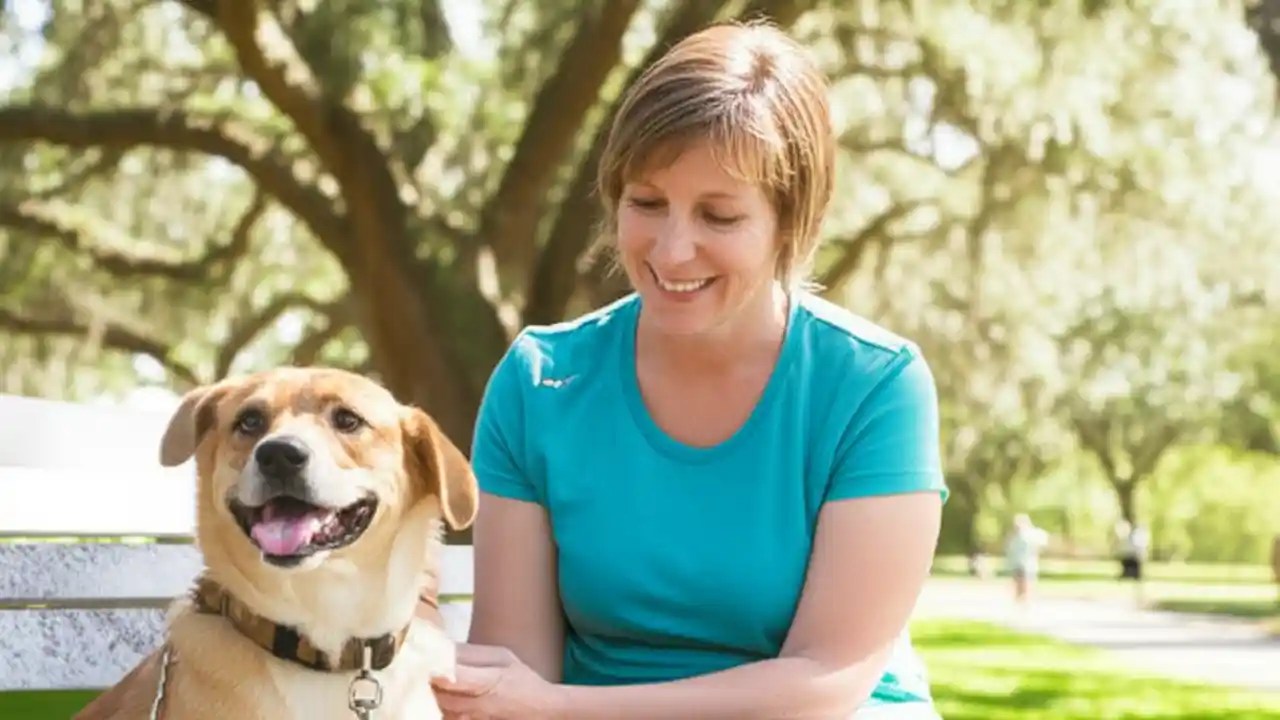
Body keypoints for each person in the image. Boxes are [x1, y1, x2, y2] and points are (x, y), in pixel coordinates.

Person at [430, 20, 948, 720]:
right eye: (646, 204)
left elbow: (826, 681)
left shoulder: (874, 387)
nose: (673, 251)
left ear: (789, 223)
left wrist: (563, 710)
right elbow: (518, 673)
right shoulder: (539, 383)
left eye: (720, 216)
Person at [1004, 513, 1049, 606]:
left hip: (1026, 564)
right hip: (1020, 564)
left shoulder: (1028, 535)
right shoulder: (1017, 536)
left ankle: (1023, 603)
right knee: (1021, 584)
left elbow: (1041, 542)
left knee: (1025, 584)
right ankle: (1021, 603)